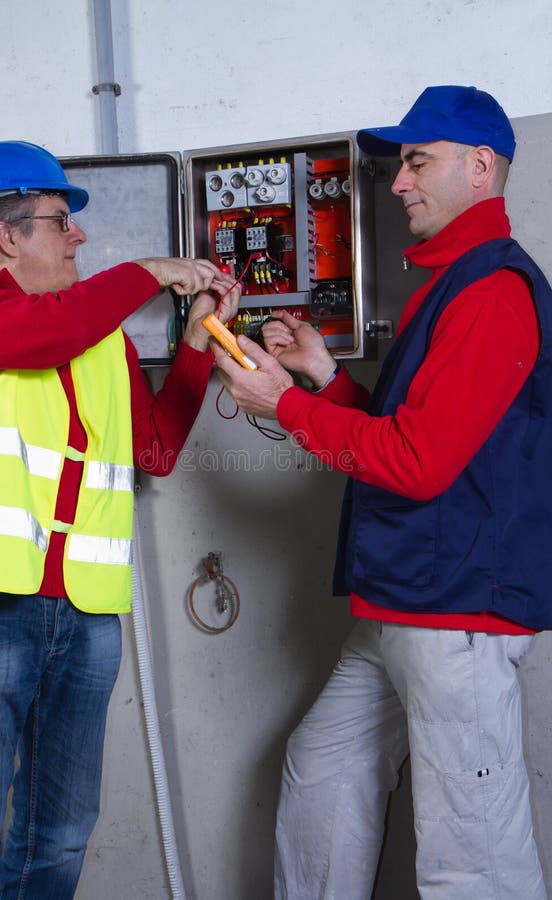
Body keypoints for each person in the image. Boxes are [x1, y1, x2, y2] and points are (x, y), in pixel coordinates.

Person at [213, 85, 552, 899]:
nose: (398, 182)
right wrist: (320, 379)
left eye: (416, 161)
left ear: (480, 168)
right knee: (323, 776)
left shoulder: (492, 292)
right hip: (402, 601)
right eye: (400, 164)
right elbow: (420, 435)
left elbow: (419, 463)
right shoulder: (450, 285)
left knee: (472, 856)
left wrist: (282, 407)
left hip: (454, 610)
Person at [0, 139, 240, 898]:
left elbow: (154, 450)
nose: (79, 234)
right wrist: (151, 271)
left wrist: (196, 342)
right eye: (59, 220)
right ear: (6, 235)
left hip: (85, 617)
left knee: (62, 834)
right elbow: (37, 334)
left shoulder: (98, 333)